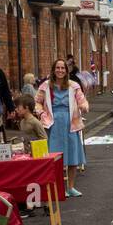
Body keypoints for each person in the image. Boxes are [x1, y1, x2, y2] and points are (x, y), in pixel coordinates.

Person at [36, 57, 89, 197]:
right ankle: (60, 188)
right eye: (57, 68)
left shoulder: (73, 85)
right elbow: (37, 103)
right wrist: (41, 113)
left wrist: (84, 106)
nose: (60, 70)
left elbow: (82, 100)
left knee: (72, 156)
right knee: (56, 157)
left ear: (66, 71)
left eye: (63, 68)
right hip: (53, 124)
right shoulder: (45, 86)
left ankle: (70, 187)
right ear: (53, 70)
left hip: (71, 122)